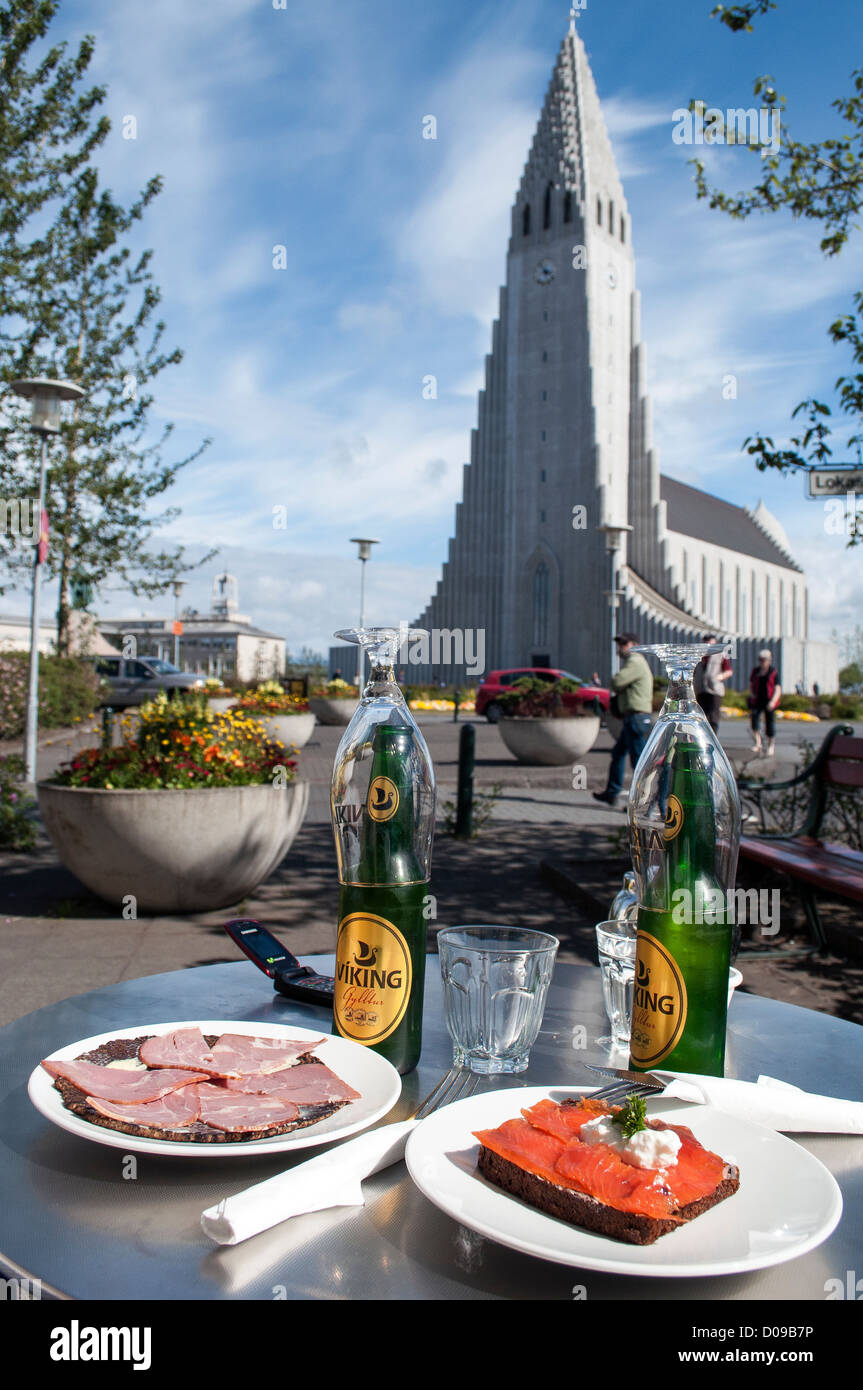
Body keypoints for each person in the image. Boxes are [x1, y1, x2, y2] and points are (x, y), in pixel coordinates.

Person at [593, 633, 653, 809]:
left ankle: (642, 801)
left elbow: (618, 682)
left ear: (635, 644)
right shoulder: (632, 661)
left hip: (637, 717)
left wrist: (614, 682)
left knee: (639, 761)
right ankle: (612, 792)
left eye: (624, 643)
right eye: (619, 643)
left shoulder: (635, 661)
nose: (621, 647)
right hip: (632, 717)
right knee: (618, 754)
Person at [695, 635, 731, 736]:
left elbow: (728, 671)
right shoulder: (699, 655)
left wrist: (720, 677)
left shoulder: (720, 654)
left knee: (713, 715)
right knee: (702, 715)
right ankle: (704, 736)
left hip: (714, 689)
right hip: (701, 689)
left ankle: (713, 737)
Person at [749, 649, 781, 757]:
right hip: (757, 700)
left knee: (770, 723)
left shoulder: (773, 672)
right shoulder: (756, 671)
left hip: (769, 700)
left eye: (764, 660)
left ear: (769, 660)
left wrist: (773, 701)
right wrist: (752, 693)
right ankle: (758, 743)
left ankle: (771, 745)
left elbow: (777, 688)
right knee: (754, 720)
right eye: (760, 660)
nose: (761, 662)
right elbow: (751, 683)